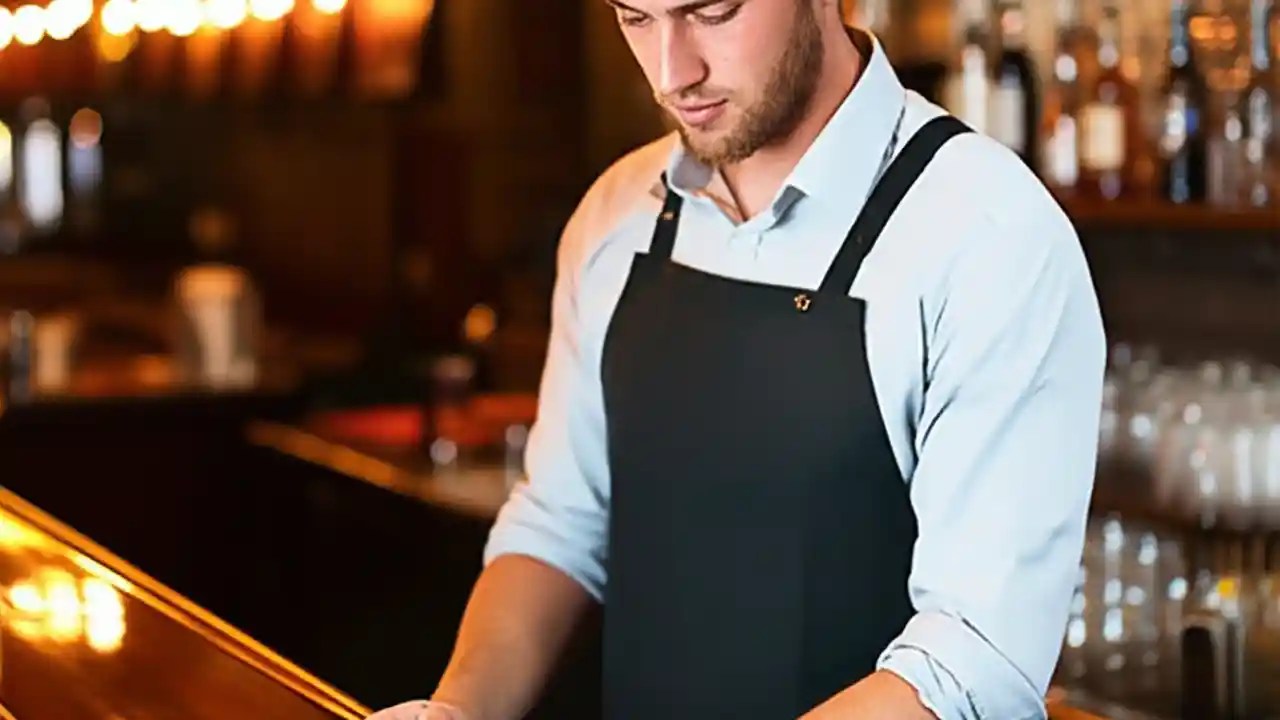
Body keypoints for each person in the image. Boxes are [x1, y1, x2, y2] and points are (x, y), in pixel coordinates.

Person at [369, 0, 1106, 717]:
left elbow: (971, 662)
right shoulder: (616, 216)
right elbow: (560, 522)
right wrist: (456, 709)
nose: (670, 72)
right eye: (636, 17)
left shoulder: (988, 234)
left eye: (713, 12)